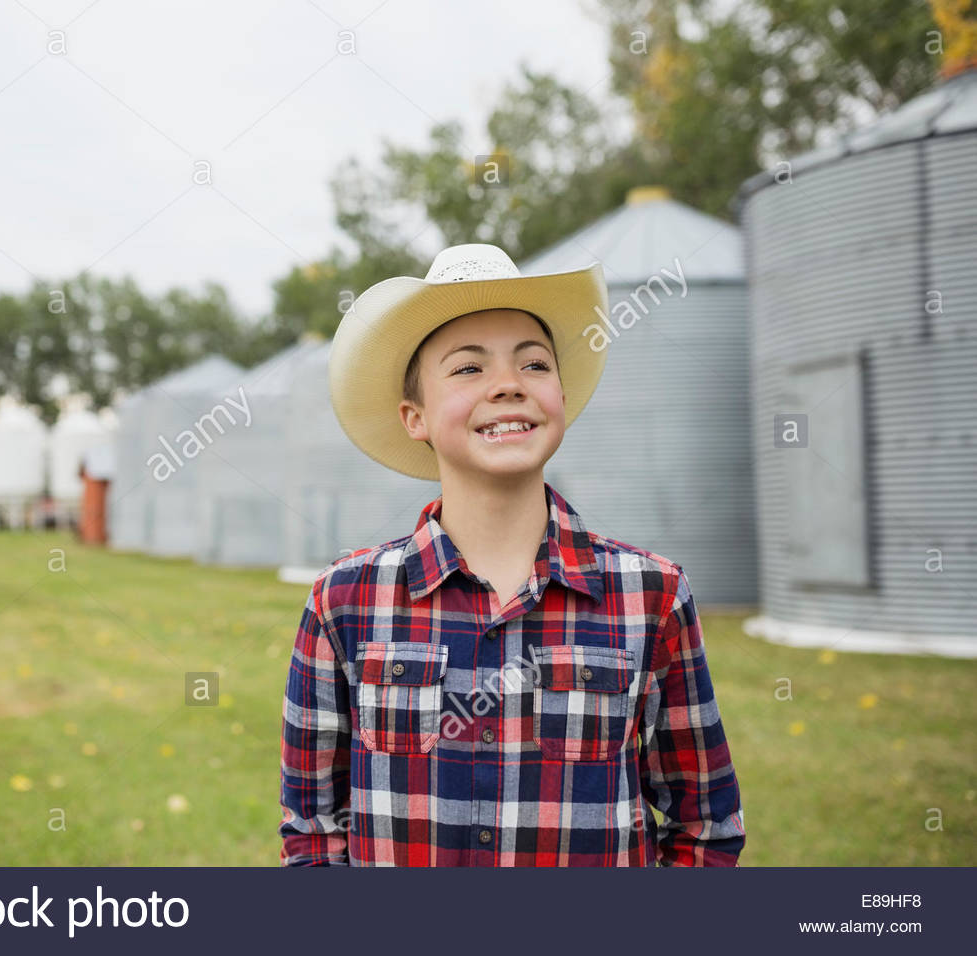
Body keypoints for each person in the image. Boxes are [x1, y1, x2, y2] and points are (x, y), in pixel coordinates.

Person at [278, 243, 745, 866]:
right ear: (414, 416)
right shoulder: (345, 599)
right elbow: (314, 830)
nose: (507, 386)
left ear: (558, 394)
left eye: (534, 364)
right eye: (468, 369)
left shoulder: (651, 596)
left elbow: (704, 828)